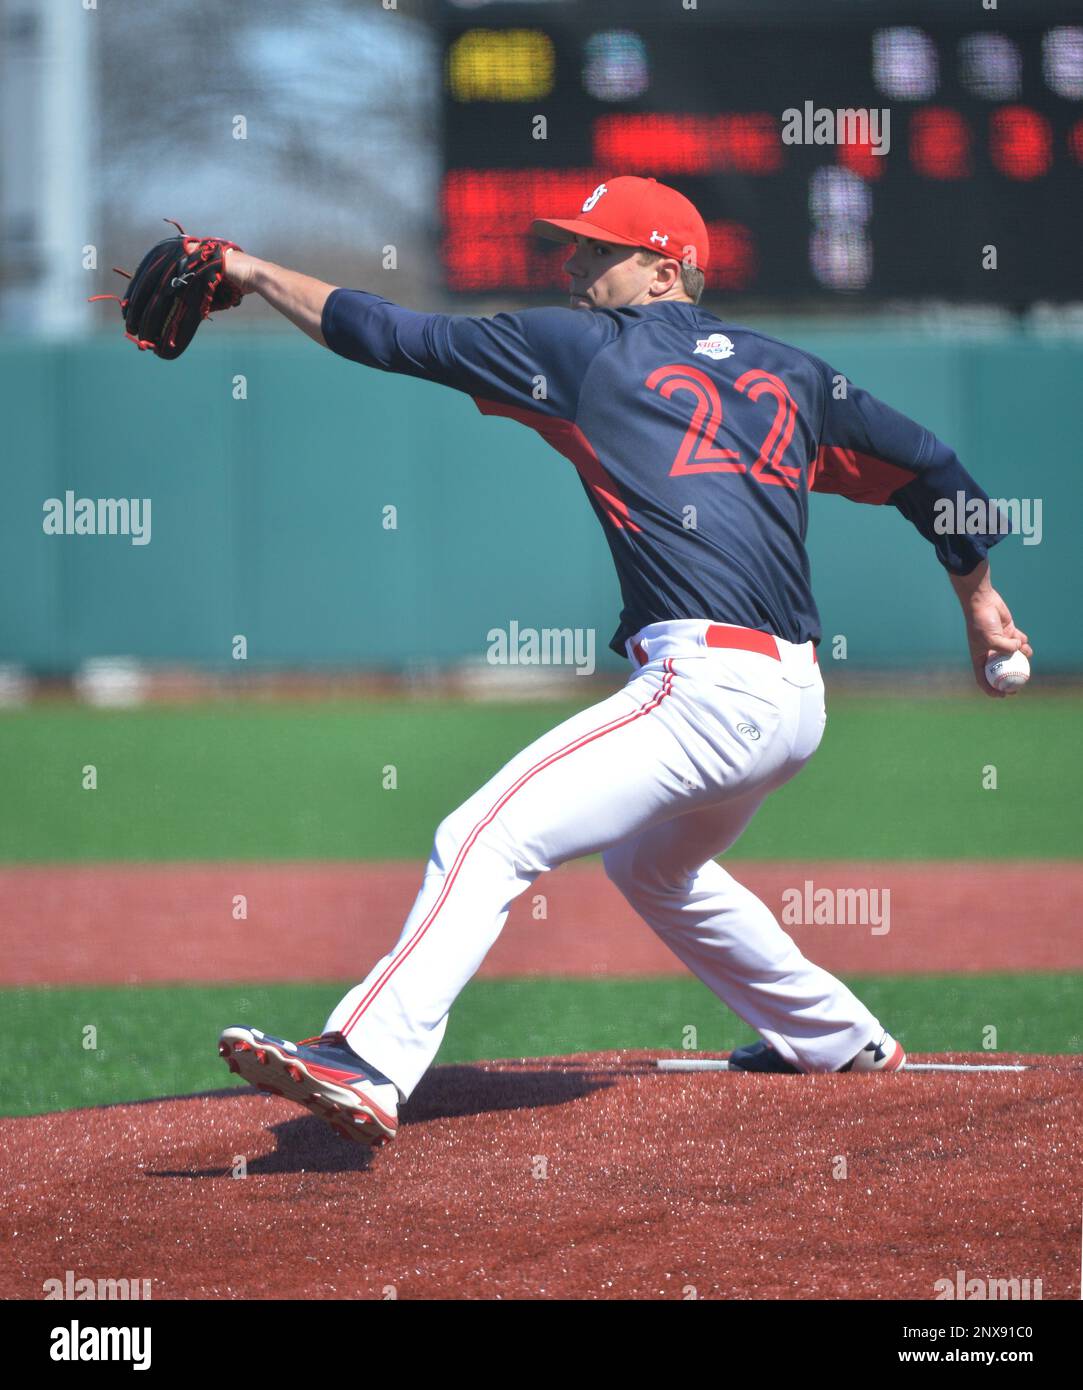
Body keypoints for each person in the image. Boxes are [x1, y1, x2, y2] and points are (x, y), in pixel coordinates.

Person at [216, 176, 1032, 1146]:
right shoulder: (799, 373)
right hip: (796, 701)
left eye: (599, 251)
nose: (576, 266)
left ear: (666, 269)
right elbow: (937, 471)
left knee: (482, 833)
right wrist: (978, 599)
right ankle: (836, 1037)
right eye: (577, 247)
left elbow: (389, 334)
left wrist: (254, 270)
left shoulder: (584, 350)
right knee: (654, 866)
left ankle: (365, 1057)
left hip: (706, 689)